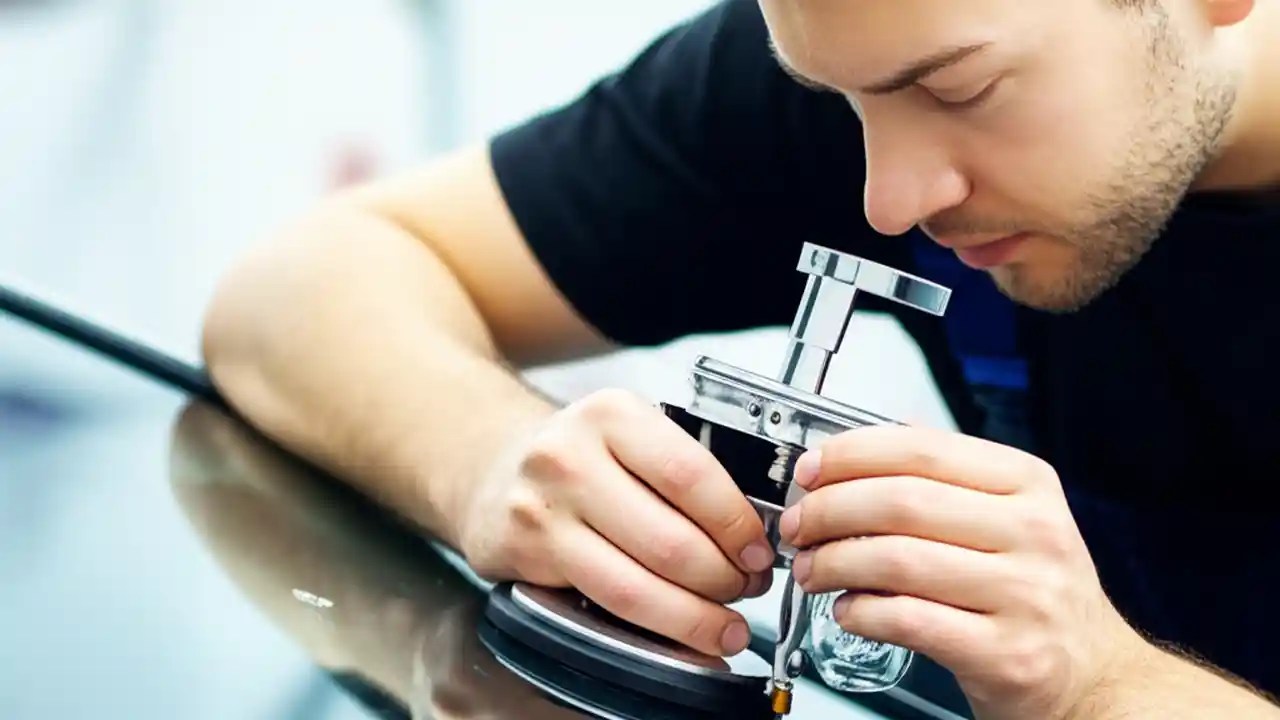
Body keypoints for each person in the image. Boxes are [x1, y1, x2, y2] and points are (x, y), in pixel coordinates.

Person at [199, 0, 1280, 717]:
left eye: (959, 93)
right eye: (838, 100)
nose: (888, 199)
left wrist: (1098, 687)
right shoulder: (873, 44)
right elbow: (292, 292)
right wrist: (488, 463)